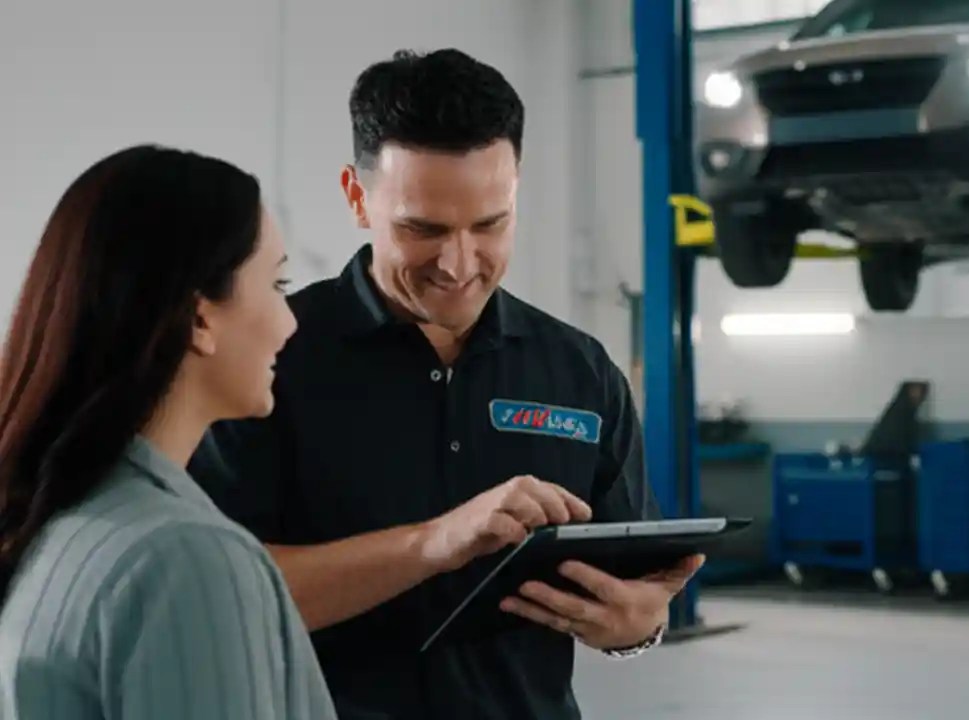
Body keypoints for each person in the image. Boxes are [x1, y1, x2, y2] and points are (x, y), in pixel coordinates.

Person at [188, 48, 702, 719]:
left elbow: (629, 581)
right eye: (421, 229)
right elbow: (215, 597)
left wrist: (638, 626)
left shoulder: (579, 370)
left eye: (490, 224)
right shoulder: (267, 357)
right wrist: (434, 543)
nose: (460, 265)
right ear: (355, 196)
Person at [0, 145, 339, 719]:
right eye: (278, 286)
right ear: (201, 317)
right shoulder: (190, 559)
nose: (290, 323)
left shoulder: (57, 523)